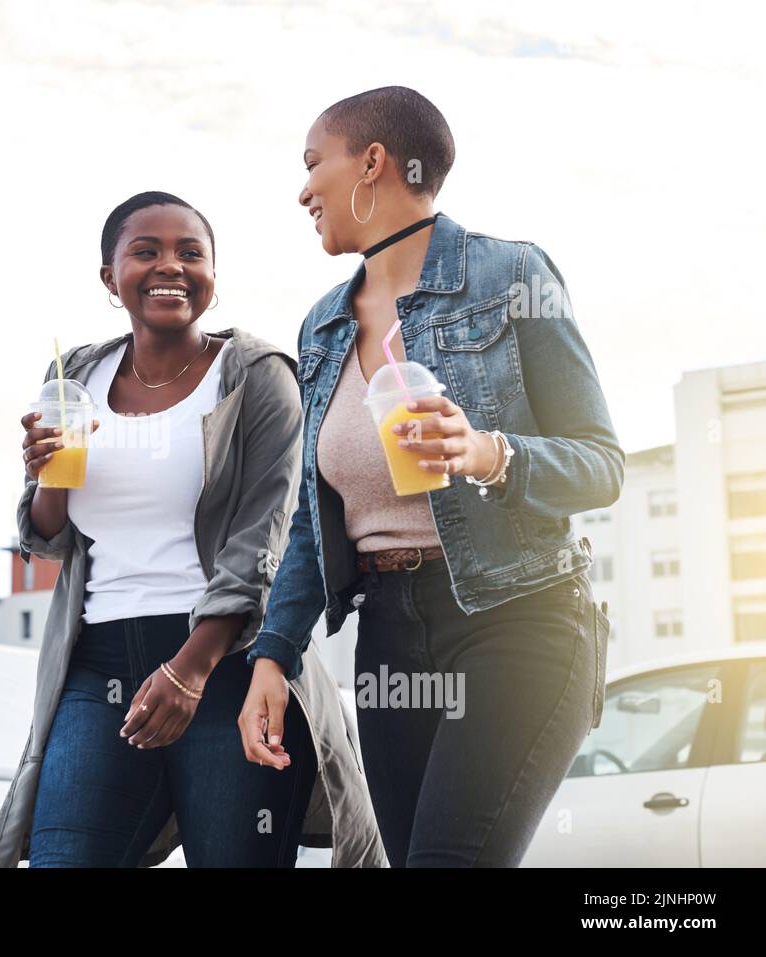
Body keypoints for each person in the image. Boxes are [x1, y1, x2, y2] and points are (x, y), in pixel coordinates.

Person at [240, 87, 623, 867]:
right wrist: (272, 656)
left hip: (519, 617)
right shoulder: (322, 325)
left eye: (314, 164)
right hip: (388, 634)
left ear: (374, 163)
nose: (303, 189)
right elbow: (320, 524)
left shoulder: (512, 273)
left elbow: (601, 464)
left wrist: (487, 452)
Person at [0, 191, 386, 868]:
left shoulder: (257, 379)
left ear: (213, 277)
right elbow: (49, 536)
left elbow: (264, 544)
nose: (170, 265)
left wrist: (189, 668)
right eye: (146, 251)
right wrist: (48, 474)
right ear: (111, 277)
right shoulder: (75, 375)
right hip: (98, 662)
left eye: (190, 252)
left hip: (229, 662)